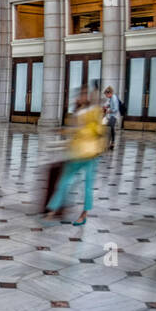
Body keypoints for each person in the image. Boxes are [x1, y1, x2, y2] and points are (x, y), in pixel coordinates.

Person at [44, 88, 106, 226]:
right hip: (76, 153)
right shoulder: (78, 112)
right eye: (80, 95)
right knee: (64, 182)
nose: (80, 98)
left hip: (90, 154)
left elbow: (98, 130)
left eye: (83, 95)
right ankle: (52, 210)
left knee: (87, 186)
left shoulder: (93, 111)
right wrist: (63, 130)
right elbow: (75, 129)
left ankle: (84, 214)